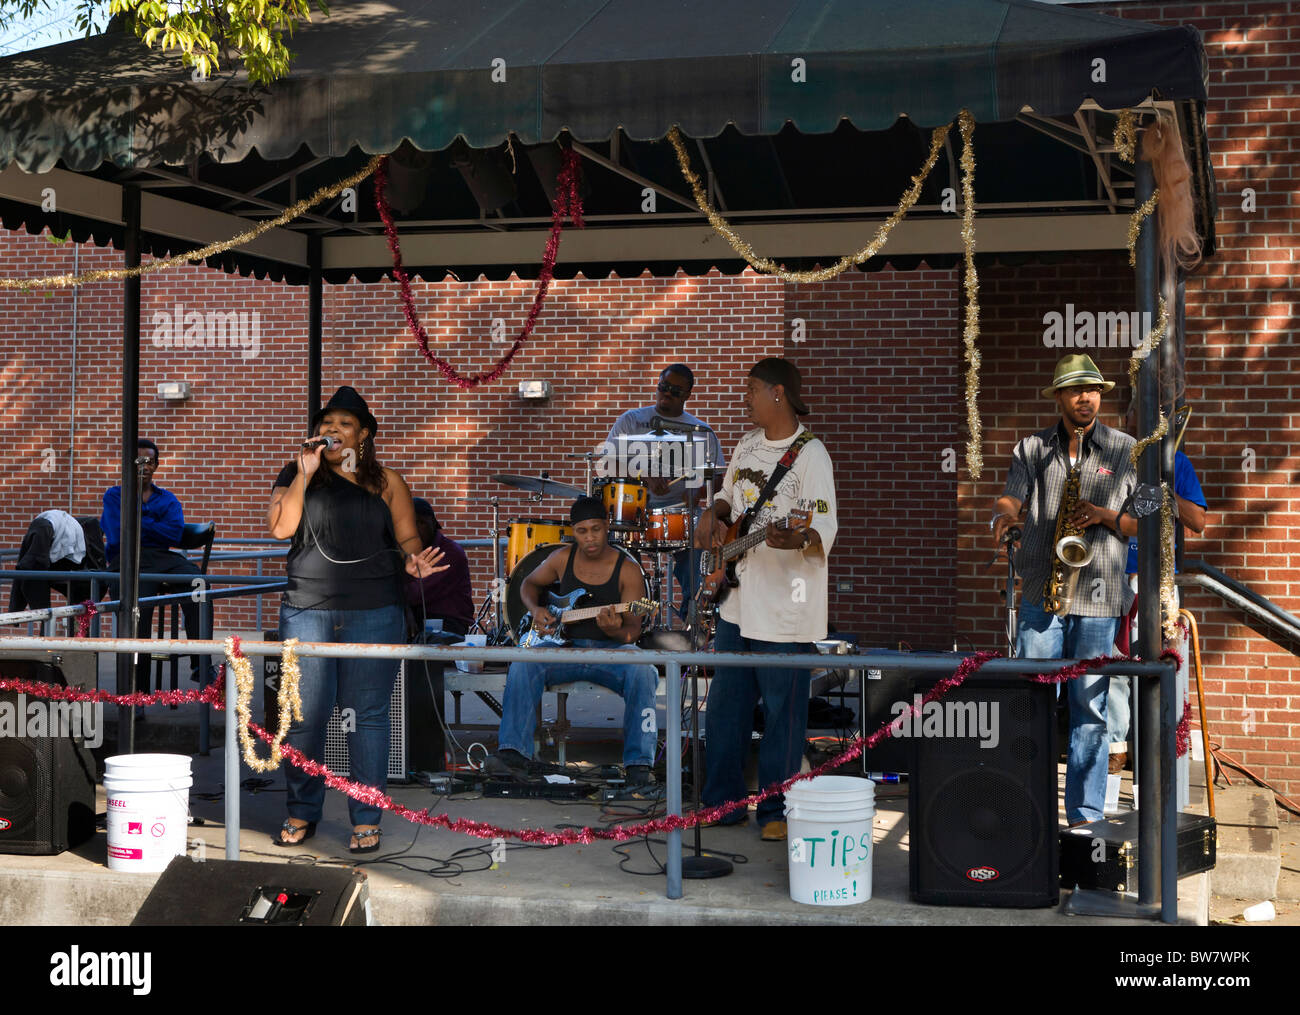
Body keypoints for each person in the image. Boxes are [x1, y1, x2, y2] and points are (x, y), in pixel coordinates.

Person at [267, 386, 444, 854]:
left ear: (363, 435)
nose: (332, 431)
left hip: (375, 609)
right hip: (307, 609)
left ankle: (366, 816)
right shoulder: (294, 473)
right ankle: (302, 810)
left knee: (367, 717)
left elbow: (407, 538)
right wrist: (304, 474)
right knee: (305, 716)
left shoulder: (386, 480)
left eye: (344, 424)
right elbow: (282, 528)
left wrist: (413, 561)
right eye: (326, 424)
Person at [991, 354, 1138, 827]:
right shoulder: (1033, 448)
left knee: (1089, 710)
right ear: (1058, 397)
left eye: (1093, 389)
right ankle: (1025, 816)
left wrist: (1103, 515)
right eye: (1076, 390)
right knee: (1031, 705)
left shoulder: (1126, 449)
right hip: (1041, 590)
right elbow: (1012, 496)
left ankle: (1085, 822)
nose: (1086, 398)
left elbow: (1143, 523)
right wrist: (1006, 516)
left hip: (1098, 596)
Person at [695, 358, 837, 842]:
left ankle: (775, 808)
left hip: (785, 611)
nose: (745, 398)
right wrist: (714, 515)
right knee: (725, 709)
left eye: (752, 389)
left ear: (778, 393)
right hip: (737, 604)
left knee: (784, 715)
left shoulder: (812, 455)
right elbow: (729, 498)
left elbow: (821, 527)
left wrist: (796, 540)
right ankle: (723, 803)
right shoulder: (746, 444)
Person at [483, 497, 659, 788]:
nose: (589, 538)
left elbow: (631, 635)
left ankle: (639, 765)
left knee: (644, 670)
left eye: (596, 529)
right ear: (573, 532)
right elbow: (526, 584)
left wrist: (615, 630)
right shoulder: (562, 558)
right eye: (582, 531)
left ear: (607, 528)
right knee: (524, 663)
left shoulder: (627, 569)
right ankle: (513, 754)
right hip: (564, 647)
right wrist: (536, 610)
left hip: (611, 652)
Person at [1108, 401, 1208, 774]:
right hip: (1114, 575)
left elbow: (1198, 520)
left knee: (1159, 662)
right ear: (1127, 421)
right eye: (1137, 416)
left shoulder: (1177, 463)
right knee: (1113, 661)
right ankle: (1118, 746)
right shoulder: (1114, 459)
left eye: (1152, 418)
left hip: (1158, 580)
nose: (1144, 423)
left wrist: (1167, 491)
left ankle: (1155, 745)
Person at [606, 364, 725, 621]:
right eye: (663, 386)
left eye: (674, 390)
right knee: (618, 563)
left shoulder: (701, 432)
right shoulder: (631, 421)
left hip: (682, 515)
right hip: (631, 516)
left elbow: (718, 477)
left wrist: (699, 492)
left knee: (697, 564)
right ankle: (629, 622)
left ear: (687, 395)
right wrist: (644, 477)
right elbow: (607, 463)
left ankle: (692, 629)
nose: (666, 393)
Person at [100, 439, 204, 689]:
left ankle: (201, 663)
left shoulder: (167, 499)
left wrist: (138, 522)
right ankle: (138, 691)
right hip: (124, 560)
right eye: (139, 461)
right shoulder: (115, 495)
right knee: (139, 611)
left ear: (156, 466)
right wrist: (154, 525)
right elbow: (118, 533)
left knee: (198, 583)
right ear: (128, 464)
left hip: (162, 558)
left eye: (149, 461)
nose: (144, 466)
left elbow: (174, 534)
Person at [407, 498, 474, 637]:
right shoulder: (405, 550)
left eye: (421, 523)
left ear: (433, 523)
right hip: (415, 615)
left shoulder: (450, 553)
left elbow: (415, 594)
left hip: (447, 623)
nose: (415, 529)